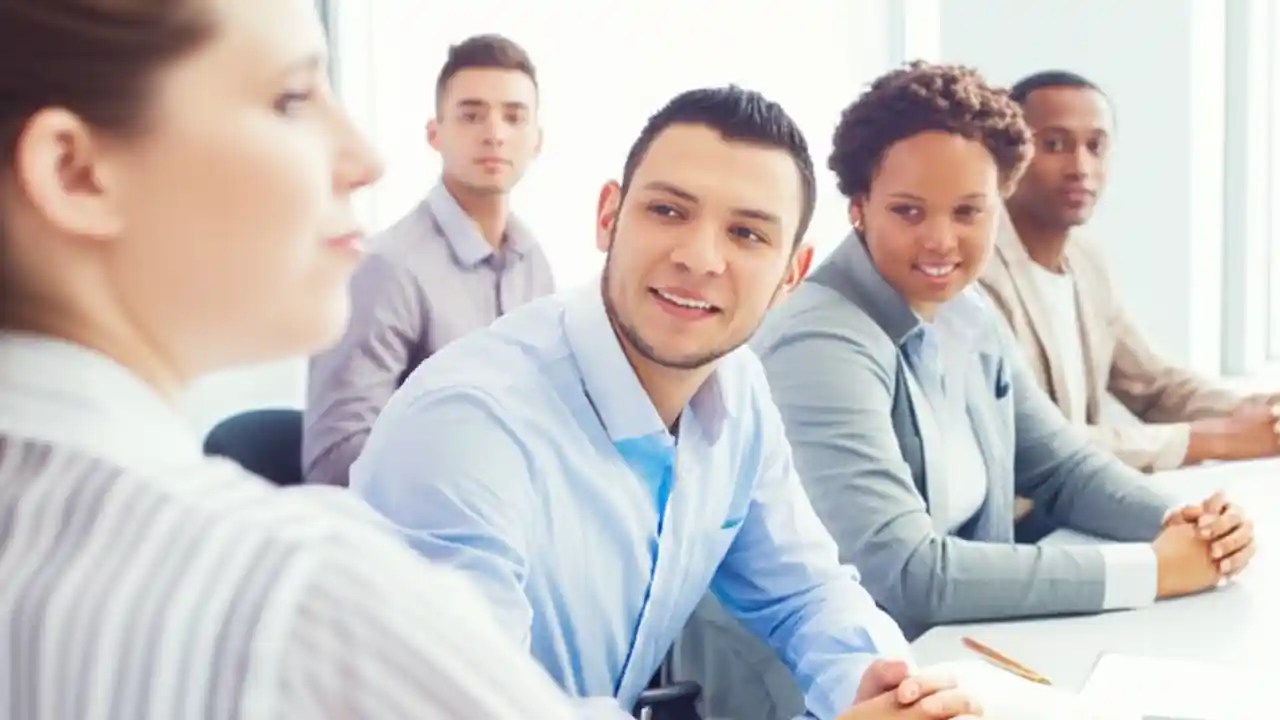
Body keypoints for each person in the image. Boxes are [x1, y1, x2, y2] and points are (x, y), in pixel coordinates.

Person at [0, 1, 577, 717]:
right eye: (292, 98)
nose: (367, 160)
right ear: (77, 172)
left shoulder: (536, 263)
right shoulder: (305, 604)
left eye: (514, 116)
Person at [351, 86, 982, 720]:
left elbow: (805, 593)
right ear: (608, 217)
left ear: (791, 275)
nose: (700, 258)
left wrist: (892, 689)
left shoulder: (737, 388)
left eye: (747, 233)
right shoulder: (467, 425)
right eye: (669, 212)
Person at [673, 62, 1257, 720]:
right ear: (859, 207)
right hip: (807, 694)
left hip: (947, 660)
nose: (941, 241)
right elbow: (905, 573)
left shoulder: (967, 313)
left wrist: (1183, 526)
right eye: (908, 211)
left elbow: (1060, 465)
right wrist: (1154, 569)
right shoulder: (820, 341)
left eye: (969, 212)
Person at [981, 70, 1280, 472]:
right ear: (1009, 156)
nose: (1080, 167)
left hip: (1085, 501)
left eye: (1096, 146)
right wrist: (1219, 438)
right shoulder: (976, 272)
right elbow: (1036, 441)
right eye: (1054, 144)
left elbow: (1154, 386)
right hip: (1023, 518)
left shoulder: (1086, 260)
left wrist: (1262, 413)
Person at [303, 33, 554, 487]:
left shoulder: (533, 262)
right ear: (434, 134)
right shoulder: (386, 268)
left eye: (514, 117)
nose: (495, 133)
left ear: (536, 140)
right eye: (471, 115)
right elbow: (335, 458)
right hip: (418, 536)